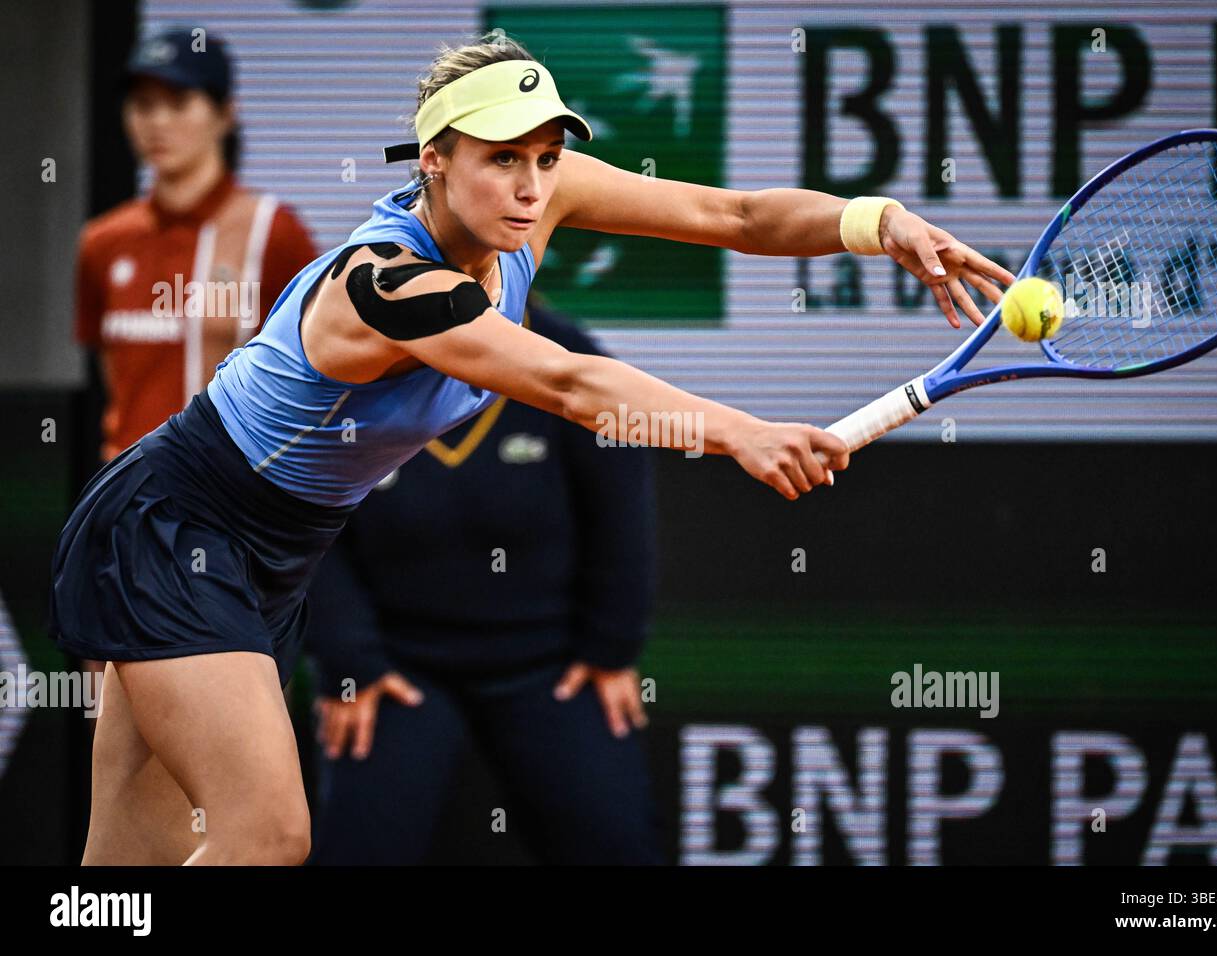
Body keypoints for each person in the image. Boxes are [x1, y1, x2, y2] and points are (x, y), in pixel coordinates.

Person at [48, 32, 1015, 865]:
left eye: (546, 158)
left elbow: (735, 216)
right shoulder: (383, 285)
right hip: (178, 528)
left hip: (270, 554)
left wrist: (878, 222)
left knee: (128, 864)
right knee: (266, 835)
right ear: (433, 158)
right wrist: (744, 433)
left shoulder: (537, 200)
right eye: (500, 158)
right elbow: (570, 384)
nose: (529, 185)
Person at [306, 294, 661, 865]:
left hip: (552, 665)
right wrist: (349, 662)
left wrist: (611, 649)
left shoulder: (573, 361)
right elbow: (310, 526)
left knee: (620, 846)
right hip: (397, 670)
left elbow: (621, 517)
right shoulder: (345, 366)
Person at [76, 27, 317, 462]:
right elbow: (114, 379)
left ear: (225, 114)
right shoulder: (102, 241)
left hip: (233, 497)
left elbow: (314, 369)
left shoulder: (273, 233)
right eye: (144, 105)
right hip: (124, 492)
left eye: (179, 102)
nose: (158, 122)